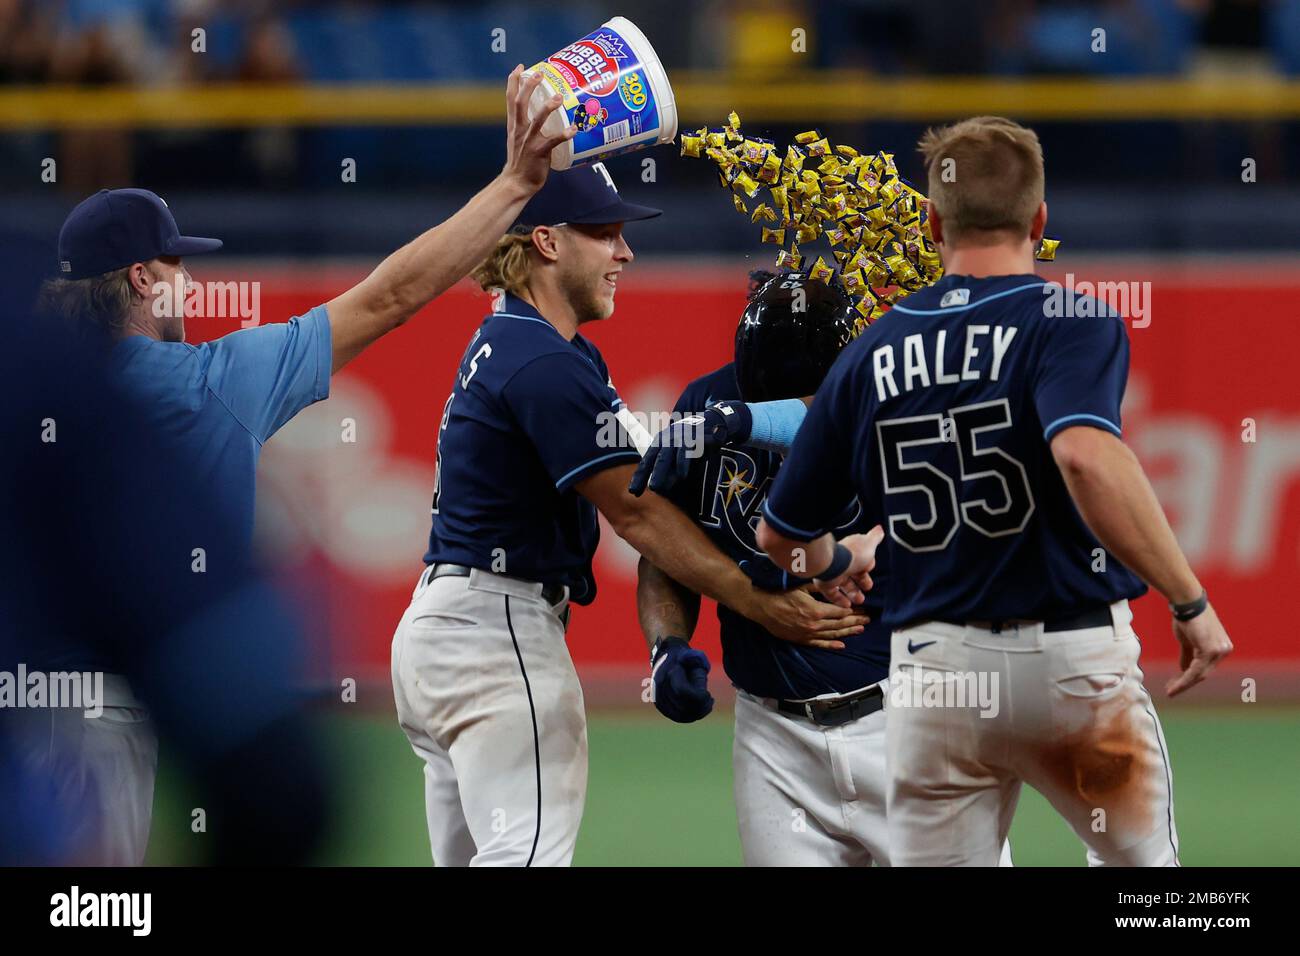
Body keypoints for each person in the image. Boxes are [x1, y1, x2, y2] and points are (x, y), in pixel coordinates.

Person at [32, 65, 575, 865]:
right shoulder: (215, 382)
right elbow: (391, 295)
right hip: (127, 698)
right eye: (177, 266)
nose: (191, 279)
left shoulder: (36, 387)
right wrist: (513, 187)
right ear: (144, 279)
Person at [755, 116, 1233, 866]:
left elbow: (779, 540)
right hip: (1069, 659)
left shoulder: (870, 353)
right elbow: (1085, 457)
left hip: (934, 673)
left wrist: (835, 560)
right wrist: (1189, 602)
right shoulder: (1069, 320)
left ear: (932, 219)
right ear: (1039, 219)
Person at [391, 165, 869, 867]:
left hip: (444, 632)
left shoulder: (530, 345)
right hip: (497, 638)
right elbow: (639, 515)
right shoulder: (541, 362)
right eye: (606, 234)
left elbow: (645, 488)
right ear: (548, 242)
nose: (625, 253)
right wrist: (752, 599)